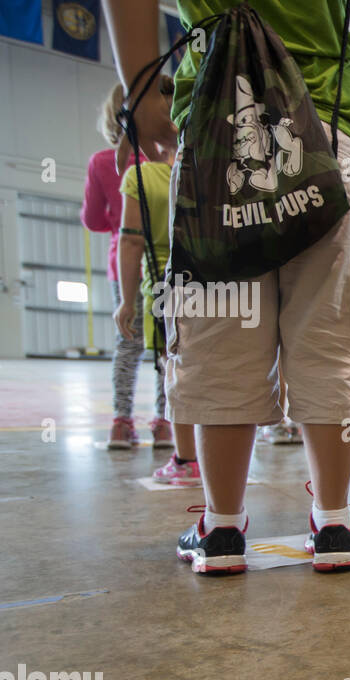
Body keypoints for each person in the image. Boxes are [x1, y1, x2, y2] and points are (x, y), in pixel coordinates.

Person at [104, 0, 350, 574]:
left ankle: (221, 529)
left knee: (221, 333)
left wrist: (140, 92)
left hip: (216, 136)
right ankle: (334, 522)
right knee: (332, 333)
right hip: (326, 128)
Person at [114, 75, 196, 484]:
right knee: (207, 370)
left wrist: (126, 301)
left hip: (164, 284)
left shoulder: (138, 178)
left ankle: (186, 459)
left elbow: (130, 243)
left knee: (173, 368)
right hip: (208, 280)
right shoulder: (197, 166)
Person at [82, 83, 163, 450]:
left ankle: (121, 422)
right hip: (163, 263)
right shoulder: (162, 164)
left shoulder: (101, 163)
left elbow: (92, 219)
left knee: (127, 342)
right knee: (167, 345)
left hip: (123, 265)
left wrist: (117, 223)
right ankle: (164, 423)